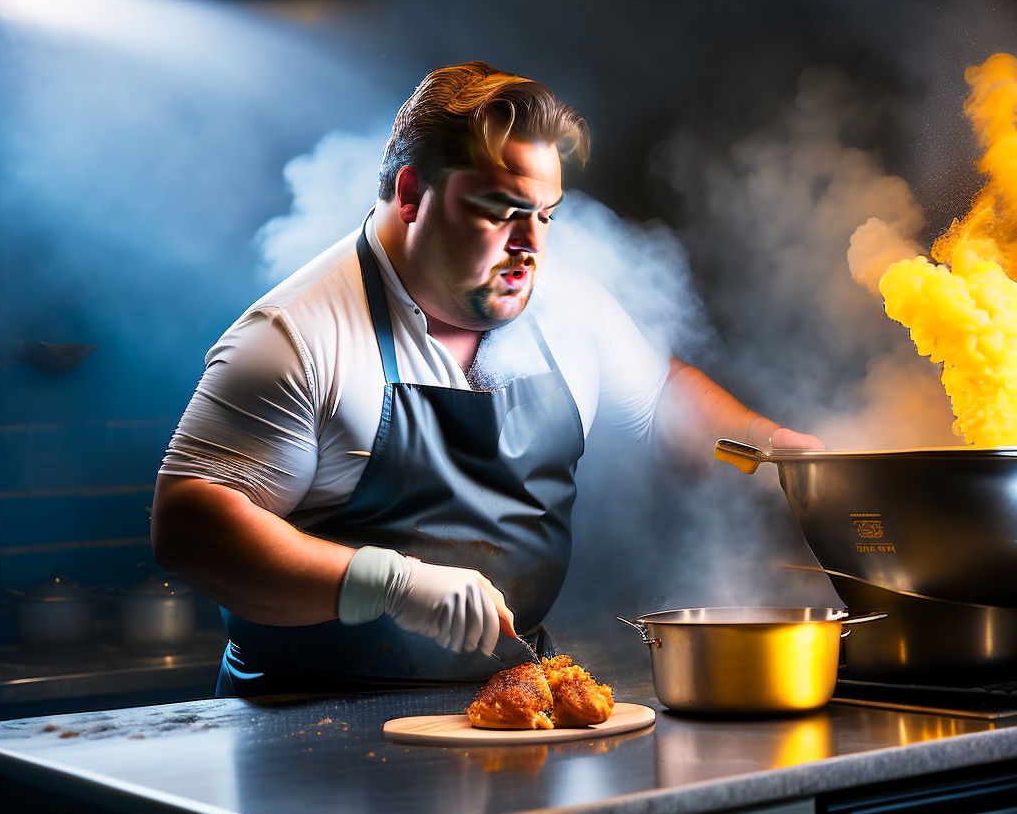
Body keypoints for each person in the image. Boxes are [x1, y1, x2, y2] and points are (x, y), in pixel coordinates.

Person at [151, 61, 823, 696]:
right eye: (501, 211)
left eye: (545, 215)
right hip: (307, 723)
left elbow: (664, 406)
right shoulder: (296, 335)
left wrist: (781, 454)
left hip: (506, 705)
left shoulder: (570, 307)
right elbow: (189, 524)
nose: (531, 245)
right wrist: (388, 583)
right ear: (411, 194)